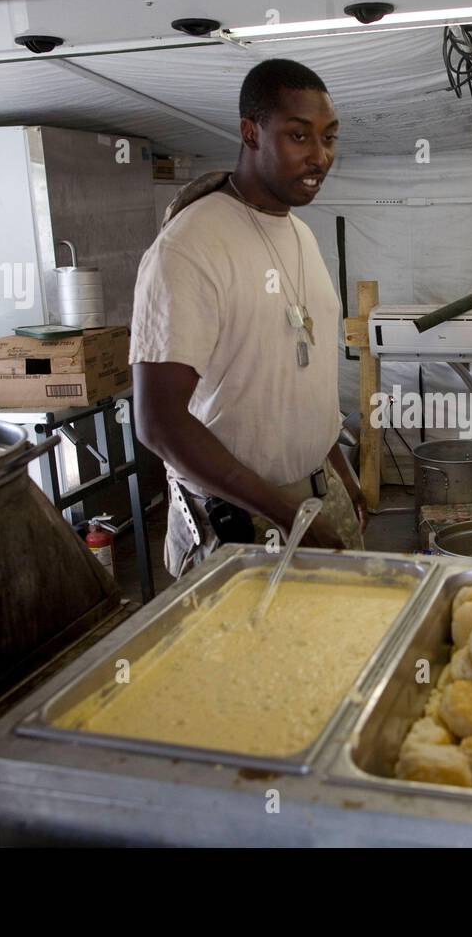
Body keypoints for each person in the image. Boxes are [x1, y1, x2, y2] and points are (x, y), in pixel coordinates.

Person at [130, 58, 367, 578]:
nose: (320, 156)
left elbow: (300, 370)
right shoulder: (190, 245)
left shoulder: (298, 232)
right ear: (250, 132)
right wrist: (285, 515)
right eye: (298, 135)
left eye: (329, 137)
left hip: (317, 494)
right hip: (239, 519)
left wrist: (339, 472)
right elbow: (158, 421)